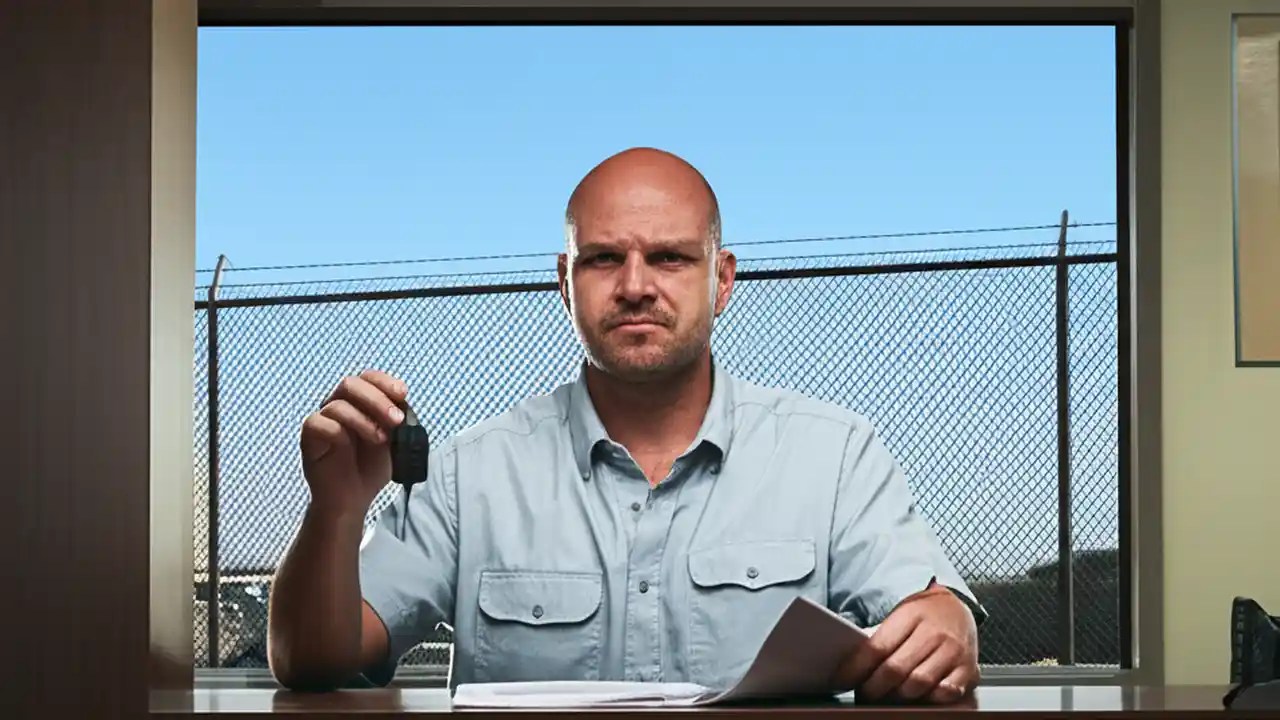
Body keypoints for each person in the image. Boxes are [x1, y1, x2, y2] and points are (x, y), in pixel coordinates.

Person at [266, 147, 987, 704]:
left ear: (723, 279)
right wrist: (335, 511)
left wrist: (946, 623)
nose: (636, 285)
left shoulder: (834, 454)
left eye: (670, 257)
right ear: (563, 281)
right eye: (605, 258)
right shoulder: (467, 474)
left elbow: (926, 611)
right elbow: (315, 662)